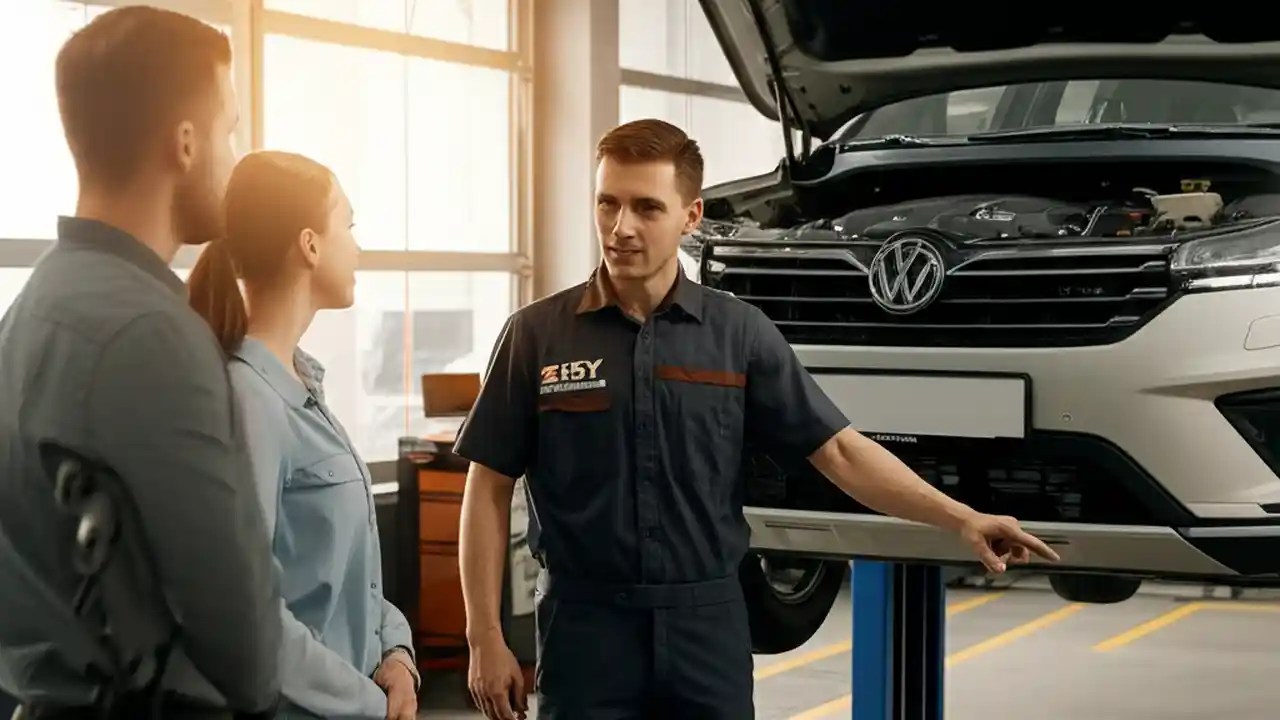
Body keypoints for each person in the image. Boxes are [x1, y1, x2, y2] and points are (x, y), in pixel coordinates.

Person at [454, 118, 1062, 720]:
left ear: (691, 216)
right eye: (607, 203)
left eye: (646, 208)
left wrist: (962, 518)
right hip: (585, 630)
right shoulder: (536, 336)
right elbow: (487, 487)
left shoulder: (739, 336)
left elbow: (842, 454)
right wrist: (483, 635)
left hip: (707, 628)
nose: (621, 228)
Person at [0, 6, 282, 719]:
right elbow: (245, 652)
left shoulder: (31, 308)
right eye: (228, 129)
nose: (232, 153)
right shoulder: (153, 333)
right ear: (185, 144)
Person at [186, 150, 421, 720]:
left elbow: (347, 581)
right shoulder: (250, 400)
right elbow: (248, 615)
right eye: (350, 224)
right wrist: (367, 702)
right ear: (310, 244)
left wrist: (395, 650)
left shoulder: (302, 383)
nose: (358, 246)